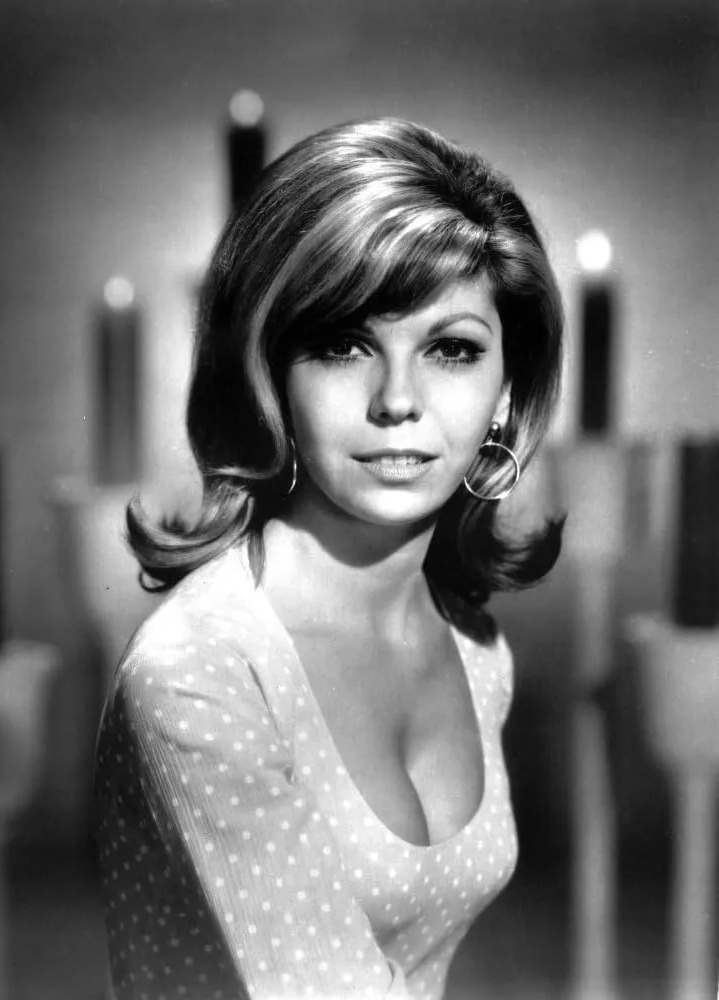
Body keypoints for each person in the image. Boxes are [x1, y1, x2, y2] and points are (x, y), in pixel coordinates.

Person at [93, 117, 565, 1000]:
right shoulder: (201, 672)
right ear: (270, 373)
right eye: (343, 345)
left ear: (507, 390)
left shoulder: (477, 650)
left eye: (452, 349)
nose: (397, 401)